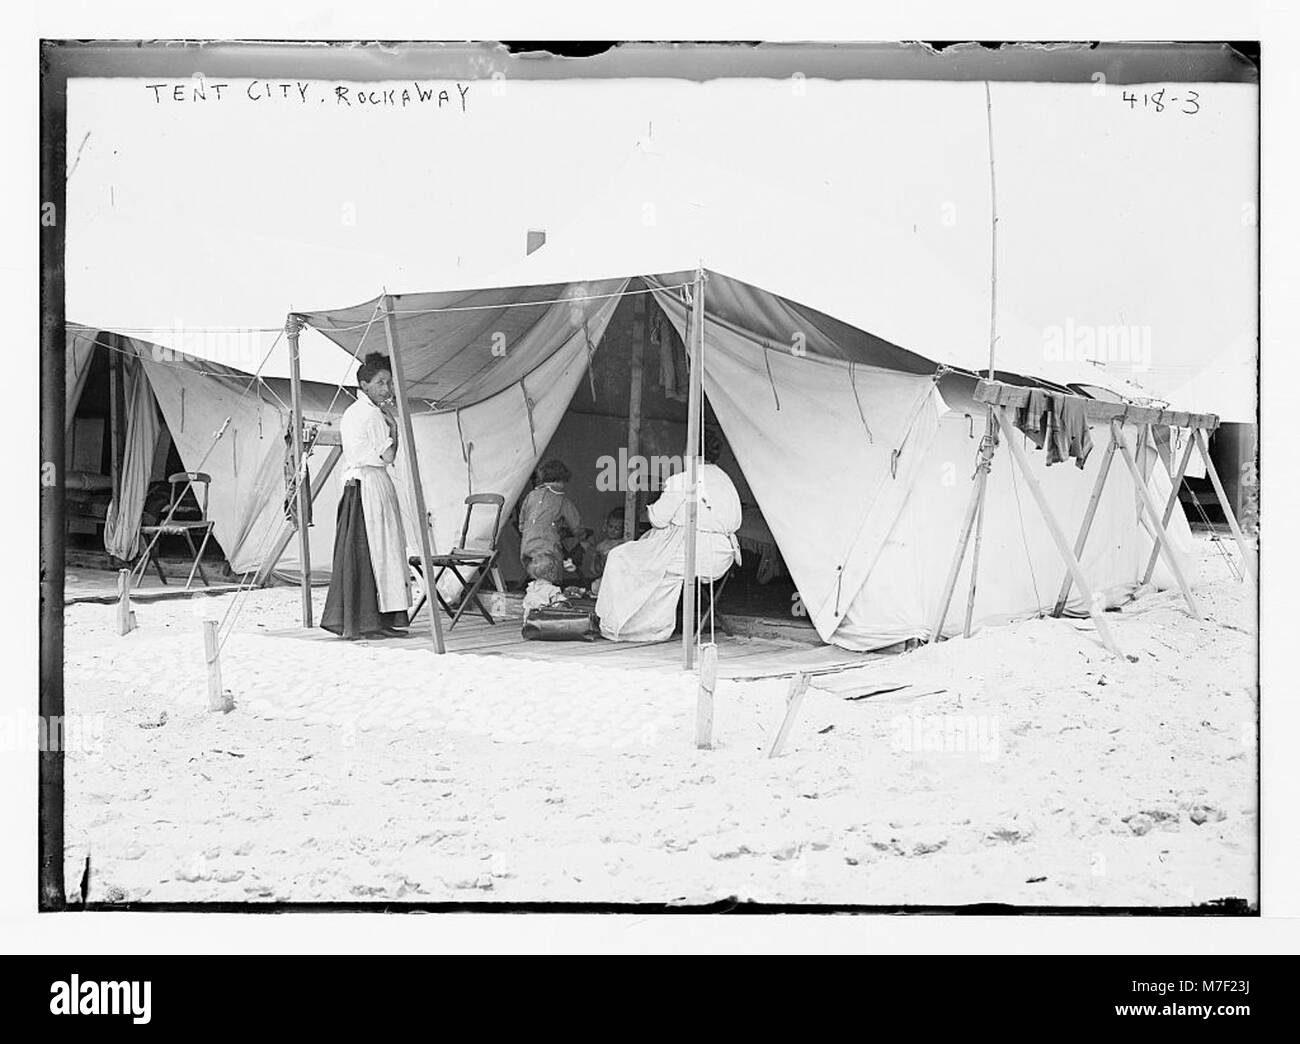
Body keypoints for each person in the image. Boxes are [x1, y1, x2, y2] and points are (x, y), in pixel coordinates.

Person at [596, 430, 742, 642]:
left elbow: (658, 519)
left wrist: (653, 507)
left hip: (693, 551)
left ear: (688, 452)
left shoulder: (684, 480)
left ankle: (630, 626)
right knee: (645, 557)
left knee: (621, 557)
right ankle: (636, 621)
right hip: (721, 554)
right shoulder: (724, 478)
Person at [321, 352, 412, 639]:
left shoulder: (354, 411)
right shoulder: (372, 414)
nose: (387, 389)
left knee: (369, 552)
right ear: (364, 384)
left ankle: (371, 619)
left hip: (358, 484)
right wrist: (395, 429)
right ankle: (369, 620)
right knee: (374, 551)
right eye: (380, 383)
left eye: (389, 383)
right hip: (368, 485)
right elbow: (387, 455)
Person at [517, 460, 588, 586]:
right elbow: (576, 527)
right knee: (552, 579)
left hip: (526, 551)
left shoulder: (531, 496)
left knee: (537, 580)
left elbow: (522, 524)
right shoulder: (561, 500)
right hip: (548, 552)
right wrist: (583, 537)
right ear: (562, 480)